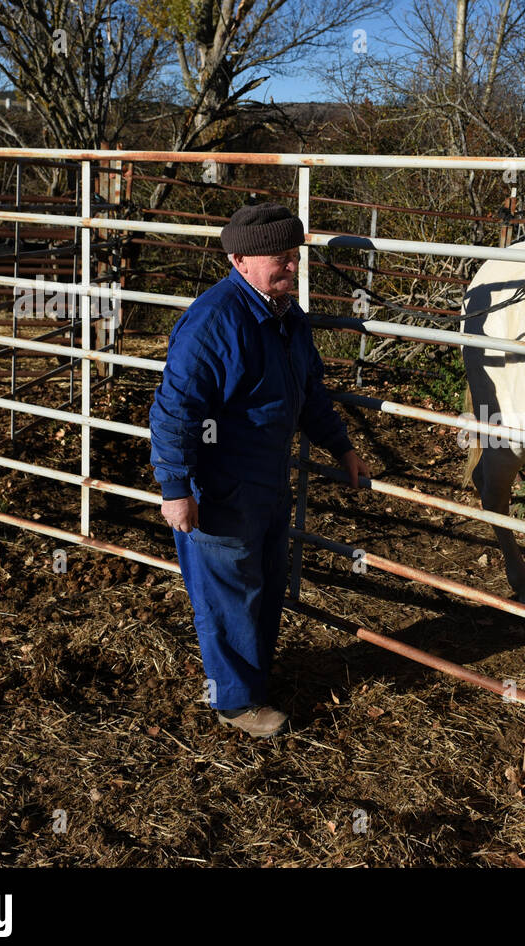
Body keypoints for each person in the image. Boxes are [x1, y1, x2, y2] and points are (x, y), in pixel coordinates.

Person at [149, 202, 369, 739]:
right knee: (228, 592)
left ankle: (254, 678)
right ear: (240, 259)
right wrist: (176, 488)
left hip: (269, 480)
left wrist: (341, 447)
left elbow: (309, 393)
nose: (292, 268)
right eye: (280, 258)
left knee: (264, 583)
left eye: (294, 257)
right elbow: (175, 411)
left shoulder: (287, 318)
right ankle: (236, 702)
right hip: (222, 483)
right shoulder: (213, 323)